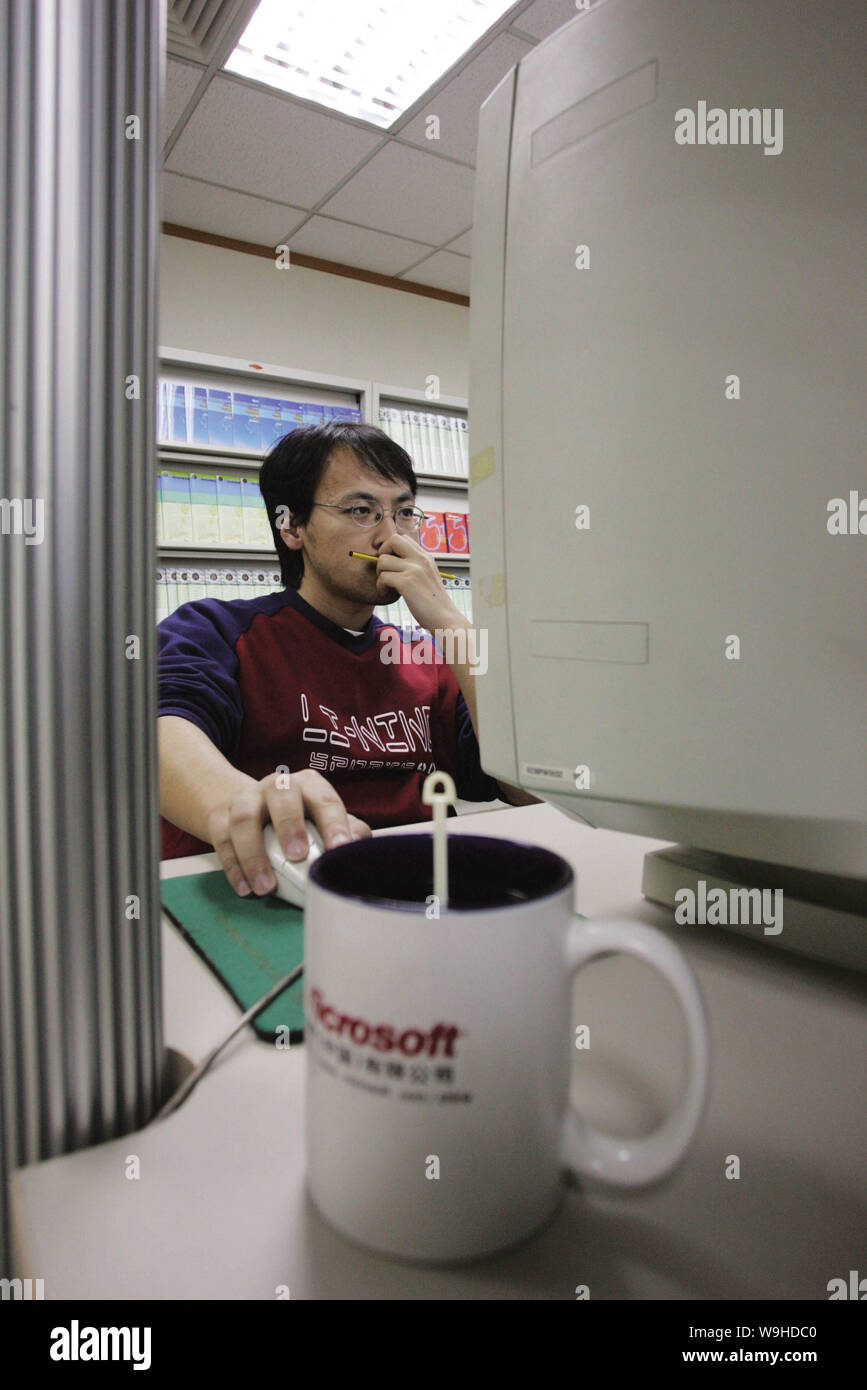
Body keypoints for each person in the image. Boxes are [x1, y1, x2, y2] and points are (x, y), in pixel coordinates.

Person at [157, 421, 536, 897]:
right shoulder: (215, 631)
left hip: (412, 887)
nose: (390, 536)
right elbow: (163, 737)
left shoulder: (427, 656)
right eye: (361, 511)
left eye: (403, 513)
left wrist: (450, 624)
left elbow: (526, 787)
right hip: (279, 888)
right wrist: (248, 803)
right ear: (291, 526)